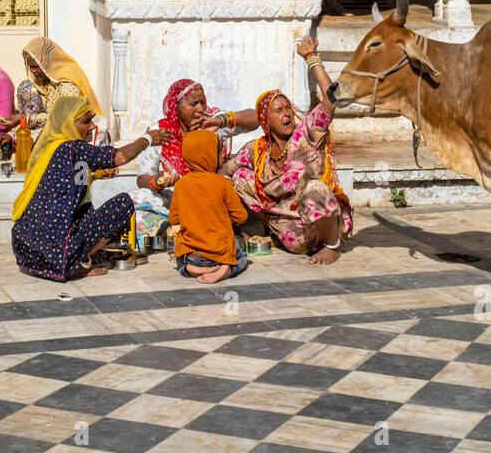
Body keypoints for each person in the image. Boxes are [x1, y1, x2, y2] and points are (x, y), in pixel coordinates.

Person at [10, 96, 168, 282]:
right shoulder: (72, 148)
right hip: (57, 256)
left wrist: (96, 171)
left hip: (27, 252)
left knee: (86, 210)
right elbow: (120, 157)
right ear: (67, 124)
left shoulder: (47, 149)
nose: (92, 127)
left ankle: (78, 257)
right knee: (123, 204)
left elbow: (71, 188)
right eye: (86, 122)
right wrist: (147, 139)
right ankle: (77, 262)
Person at [225, 37, 353, 264]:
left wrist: (311, 58)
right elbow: (224, 170)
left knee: (315, 187)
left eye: (287, 108)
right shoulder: (257, 149)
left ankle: (332, 246)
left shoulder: (306, 134)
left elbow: (332, 98)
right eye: (278, 110)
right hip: (289, 231)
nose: (286, 114)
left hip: (319, 225)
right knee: (239, 178)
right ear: (266, 120)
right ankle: (271, 231)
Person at [130, 78, 258, 235]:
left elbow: (256, 118)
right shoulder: (160, 132)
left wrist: (221, 120)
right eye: (193, 104)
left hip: (211, 198)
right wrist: (156, 181)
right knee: (138, 199)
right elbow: (142, 179)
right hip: (176, 201)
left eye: (202, 102)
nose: (200, 109)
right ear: (175, 107)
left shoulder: (211, 121)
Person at [169, 130, 249, 284]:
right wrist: (223, 218)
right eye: (219, 153)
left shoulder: (180, 185)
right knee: (243, 256)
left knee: (180, 257)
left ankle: (191, 269)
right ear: (209, 156)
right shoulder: (223, 183)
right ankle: (225, 269)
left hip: (194, 257)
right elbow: (242, 216)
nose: (223, 156)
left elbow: (173, 219)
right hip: (221, 253)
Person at [11, 37, 106, 139]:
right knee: (26, 87)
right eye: (30, 67)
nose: (32, 71)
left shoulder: (66, 82)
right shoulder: (49, 80)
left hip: (77, 133)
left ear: (46, 62)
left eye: (35, 66)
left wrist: (28, 119)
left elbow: (65, 119)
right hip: (58, 128)